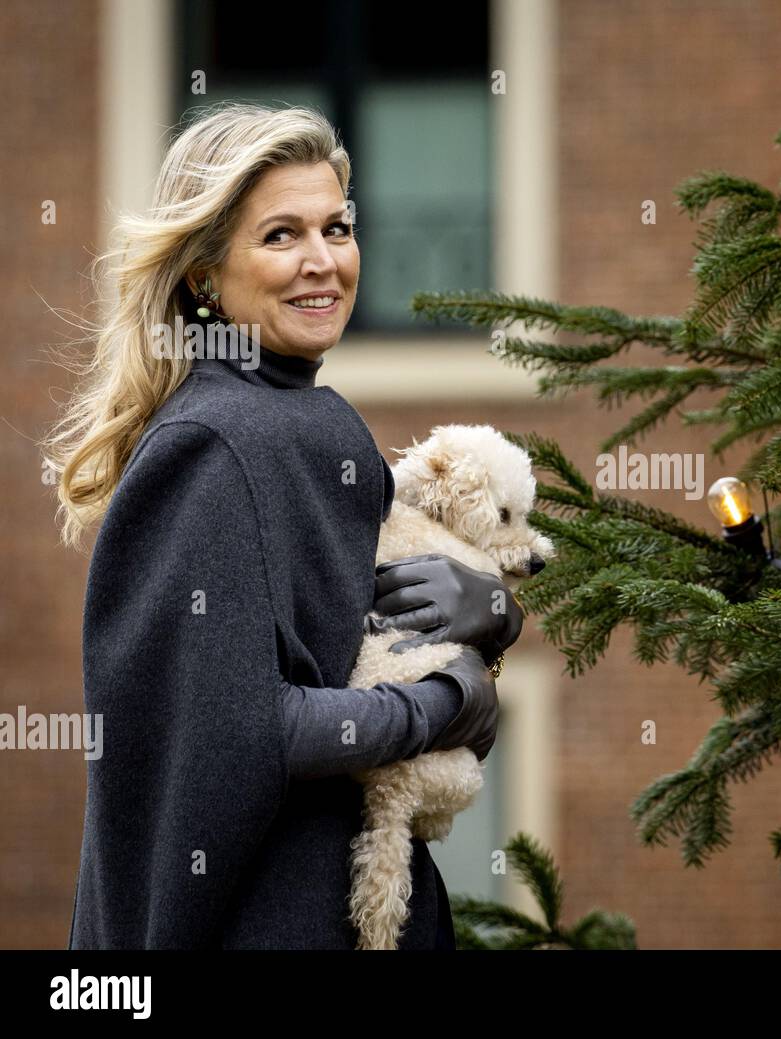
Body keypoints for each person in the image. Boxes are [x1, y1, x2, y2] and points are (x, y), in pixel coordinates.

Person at [43, 102, 522, 949]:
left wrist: (492, 613)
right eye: (280, 236)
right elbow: (240, 729)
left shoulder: (305, 423)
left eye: (337, 228)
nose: (322, 262)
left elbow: (362, 637)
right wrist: (443, 703)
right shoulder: (211, 444)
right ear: (202, 276)